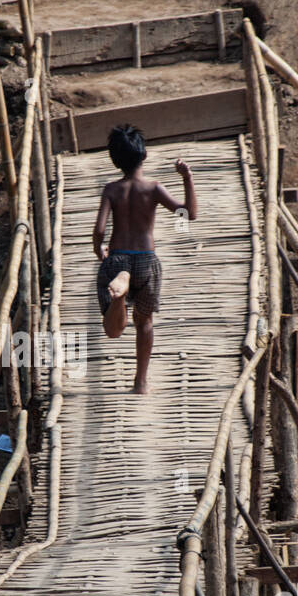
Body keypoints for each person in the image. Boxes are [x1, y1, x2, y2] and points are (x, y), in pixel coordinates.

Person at [92, 124, 198, 395]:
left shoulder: (111, 190)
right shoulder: (153, 188)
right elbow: (189, 214)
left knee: (112, 329)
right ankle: (140, 382)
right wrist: (187, 177)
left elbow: (100, 230)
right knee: (145, 321)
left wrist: (99, 250)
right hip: (146, 260)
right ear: (145, 155)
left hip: (117, 257)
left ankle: (119, 297)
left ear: (114, 160)